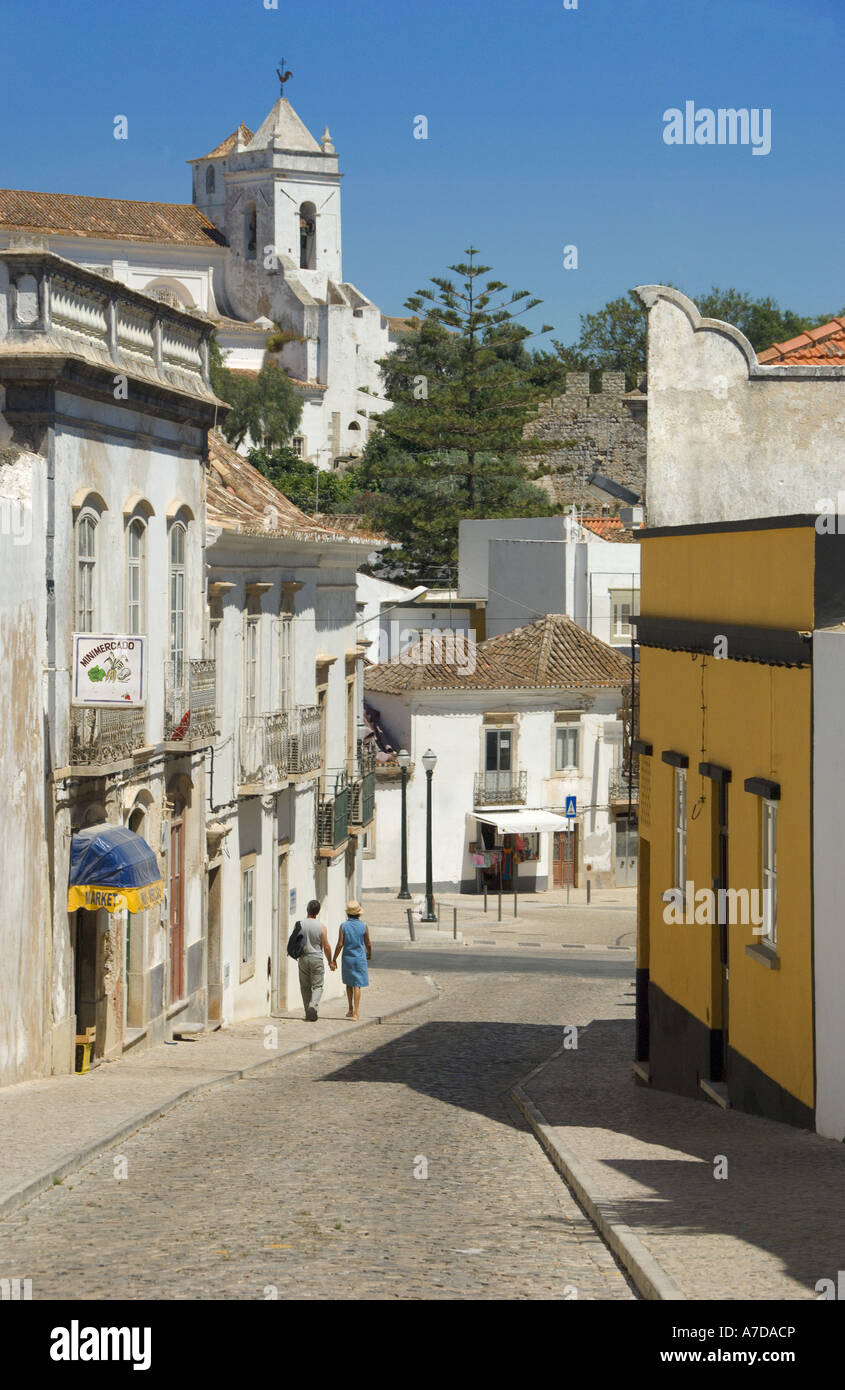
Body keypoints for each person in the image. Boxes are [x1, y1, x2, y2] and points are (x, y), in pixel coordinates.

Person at [331, 900, 371, 1020]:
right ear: (359, 913)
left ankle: (350, 1009)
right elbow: (367, 943)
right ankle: (356, 1013)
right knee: (357, 985)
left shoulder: (343, 926)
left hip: (347, 958)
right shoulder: (364, 926)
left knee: (349, 984)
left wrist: (334, 959)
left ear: (348, 913)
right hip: (359, 958)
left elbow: (339, 944)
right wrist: (369, 953)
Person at [298, 898, 335, 1021]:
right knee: (318, 986)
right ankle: (313, 1005)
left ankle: (307, 1012)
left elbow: (295, 941)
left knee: (305, 986)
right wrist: (330, 961)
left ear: (307, 909)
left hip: (303, 958)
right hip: (316, 958)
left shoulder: (299, 924)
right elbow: (327, 946)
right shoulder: (321, 927)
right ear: (317, 912)